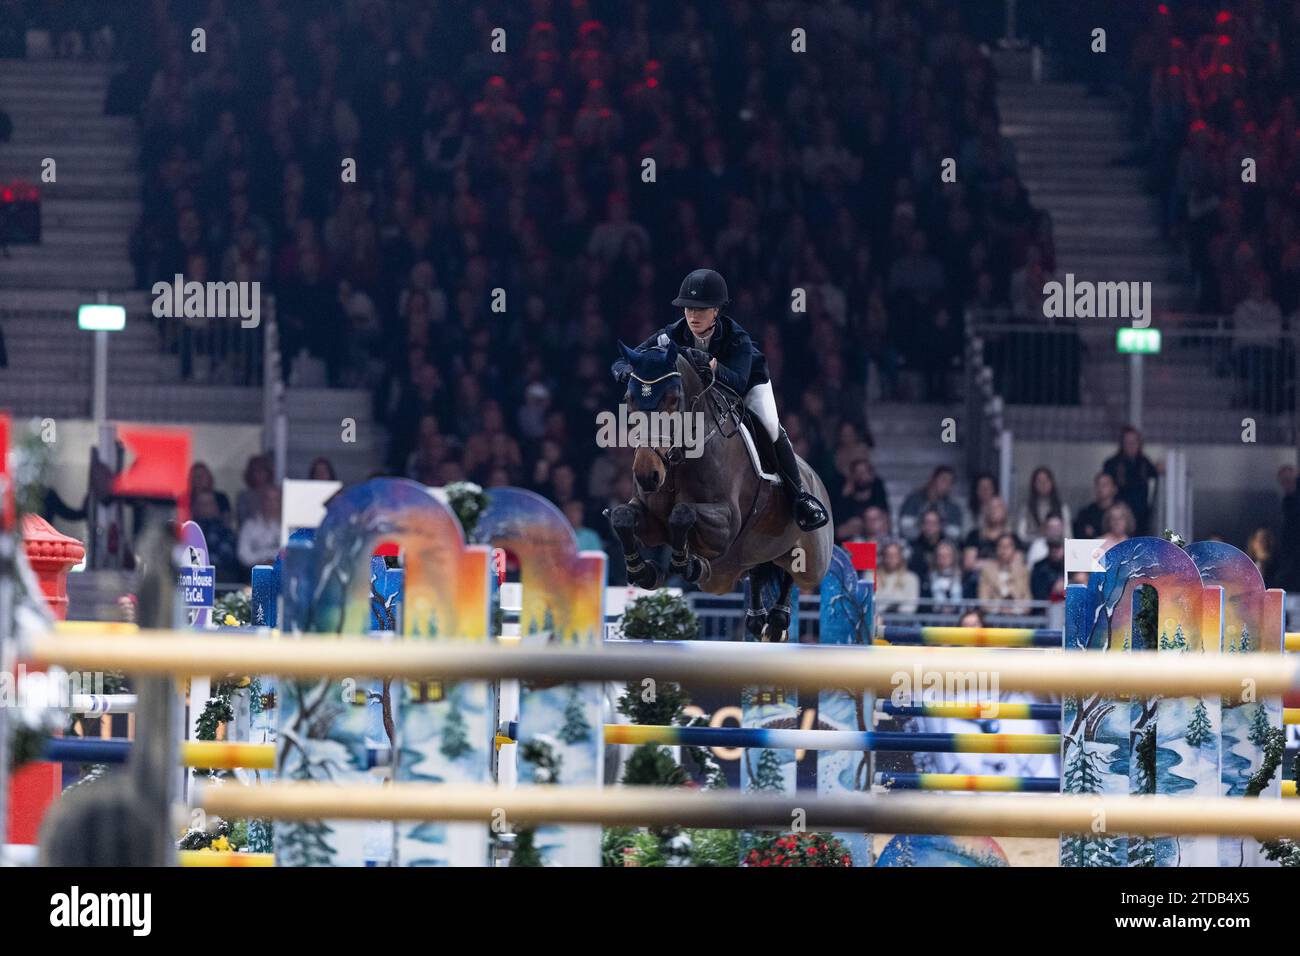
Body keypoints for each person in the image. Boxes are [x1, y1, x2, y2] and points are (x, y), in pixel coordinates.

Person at [611, 268, 829, 532]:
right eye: (688, 309)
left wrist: (715, 369)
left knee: (771, 427)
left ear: (716, 311)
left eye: (700, 309)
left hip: (748, 385)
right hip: (704, 395)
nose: (693, 316)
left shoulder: (737, 338)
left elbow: (738, 381)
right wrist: (623, 370)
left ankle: (800, 499)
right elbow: (628, 357)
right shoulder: (672, 333)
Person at [1102, 426, 1159, 535]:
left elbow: (1156, 474)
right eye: (1127, 442)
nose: (1131, 445)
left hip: (1142, 519)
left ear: (1139, 443)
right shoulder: (1112, 463)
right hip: (1120, 518)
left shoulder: (1144, 463)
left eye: (1134, 441)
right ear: (1122, 444)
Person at [898, 465, 963, 541]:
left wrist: (936, 530)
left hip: (942, 548)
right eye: (943, 480)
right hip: (915, 545)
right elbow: (905, 527)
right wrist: (926, 530)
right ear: (933, 479)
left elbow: (955, 533)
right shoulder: (914, 499)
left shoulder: (953, 507)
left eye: (950, 482)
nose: (946, 485)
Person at [978, 533, 1031, 614]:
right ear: (996, 549)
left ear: (1014, 549)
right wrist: (998, 609)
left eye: (1008, 546)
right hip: (993, 618)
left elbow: (1027, 600)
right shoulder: (987, 571)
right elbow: (983, 599)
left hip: (1018, 618)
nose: (1004, 550)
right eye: (1000, 546)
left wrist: (1014, 610)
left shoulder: (1023, 571)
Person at [1016, 466, 1071, 541]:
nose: (1043, 484)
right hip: (1032, 546)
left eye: (1046, 481)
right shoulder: (1026, 508)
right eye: (1039, 481)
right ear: (1034, 484)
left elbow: (1067, 535)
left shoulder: (1062, 507)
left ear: (1052, 483)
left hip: (1057, 548)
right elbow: (1021, 535)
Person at [238, 485, 281, 571]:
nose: (271, 503)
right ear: (262, 501)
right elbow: (243, 554)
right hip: (254, 570)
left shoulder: (288, 526)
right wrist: (262, 563)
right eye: (268, 499)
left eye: (275, 500)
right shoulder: (249, 525)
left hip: (281, 571)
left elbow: (291, 554)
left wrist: (273, 562)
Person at [875, 540, 919, 614]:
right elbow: (870, 603)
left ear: (901, 557)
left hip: (902, 621)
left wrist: (894, 610)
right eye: (888, 555)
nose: (891, 558)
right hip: (876, 619)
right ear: (882, 556)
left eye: (895, 555)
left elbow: (911, 606)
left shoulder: (911, 578)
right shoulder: (872, 576)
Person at [921, 539, 964, 614]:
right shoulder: (927, 579)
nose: (944, 559)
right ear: (935, 558)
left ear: (954, 557)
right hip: (934, 619)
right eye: (940, 555)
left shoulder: (964, 578)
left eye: (947, 555)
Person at [1073, 471, 1118, 539]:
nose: (1100, 488)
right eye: (1097, 485)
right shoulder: (1085, 514)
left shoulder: (1121, 513)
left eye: (1104, 485)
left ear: (1114, 488)